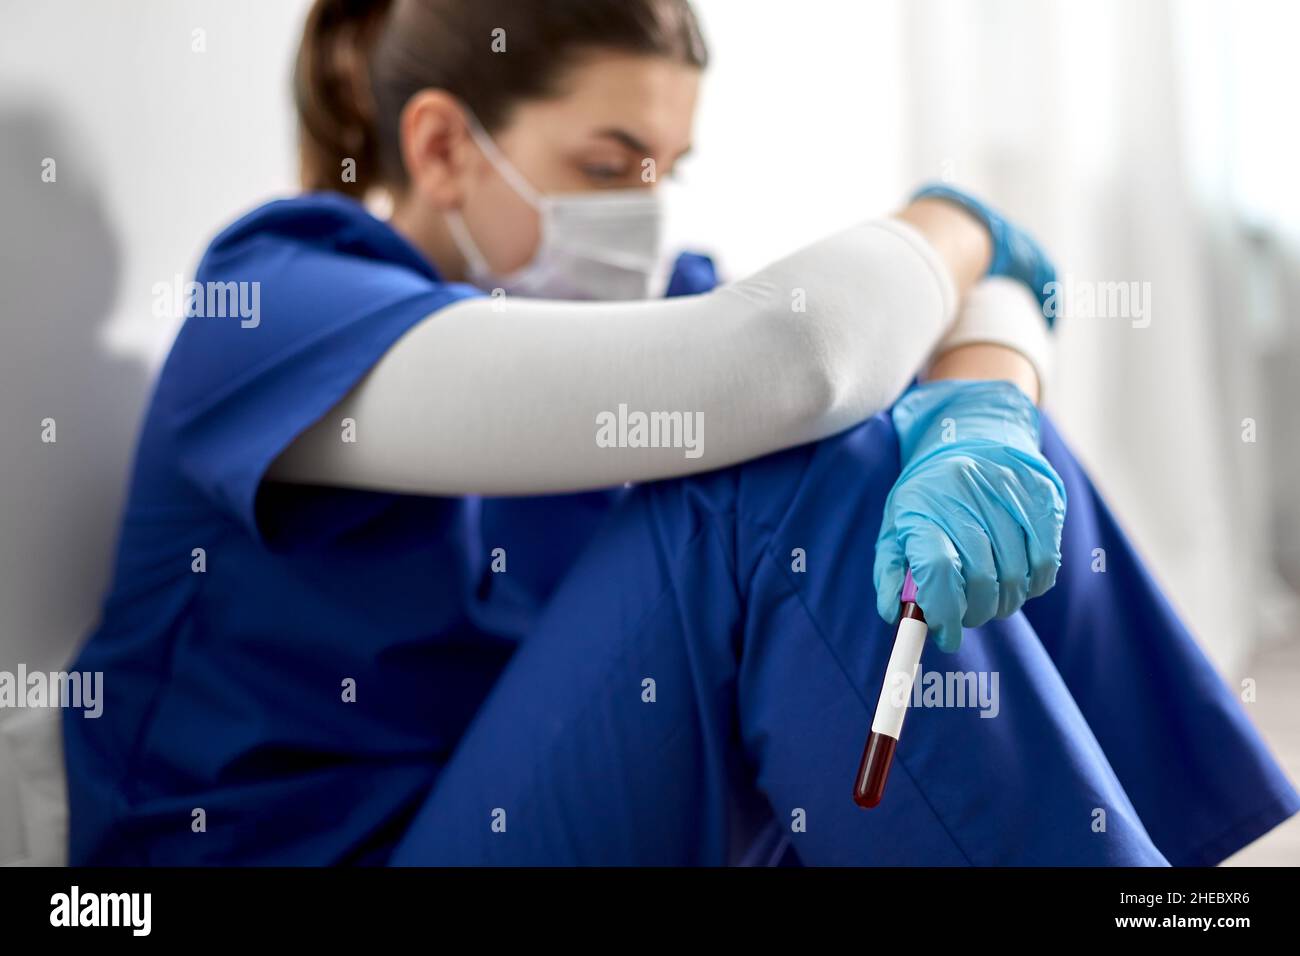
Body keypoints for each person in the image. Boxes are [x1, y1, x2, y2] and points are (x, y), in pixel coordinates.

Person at [63, 0, 1297, 865]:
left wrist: (986, 401)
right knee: (803, 477)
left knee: (935, 449)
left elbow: (935, 318)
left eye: (670, 166)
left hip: (542, 807)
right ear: (442, 145)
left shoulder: (623, 317)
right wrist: (957, 219)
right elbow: (797, 360)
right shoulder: (282, 303)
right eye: (611, 162)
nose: (647, 216)